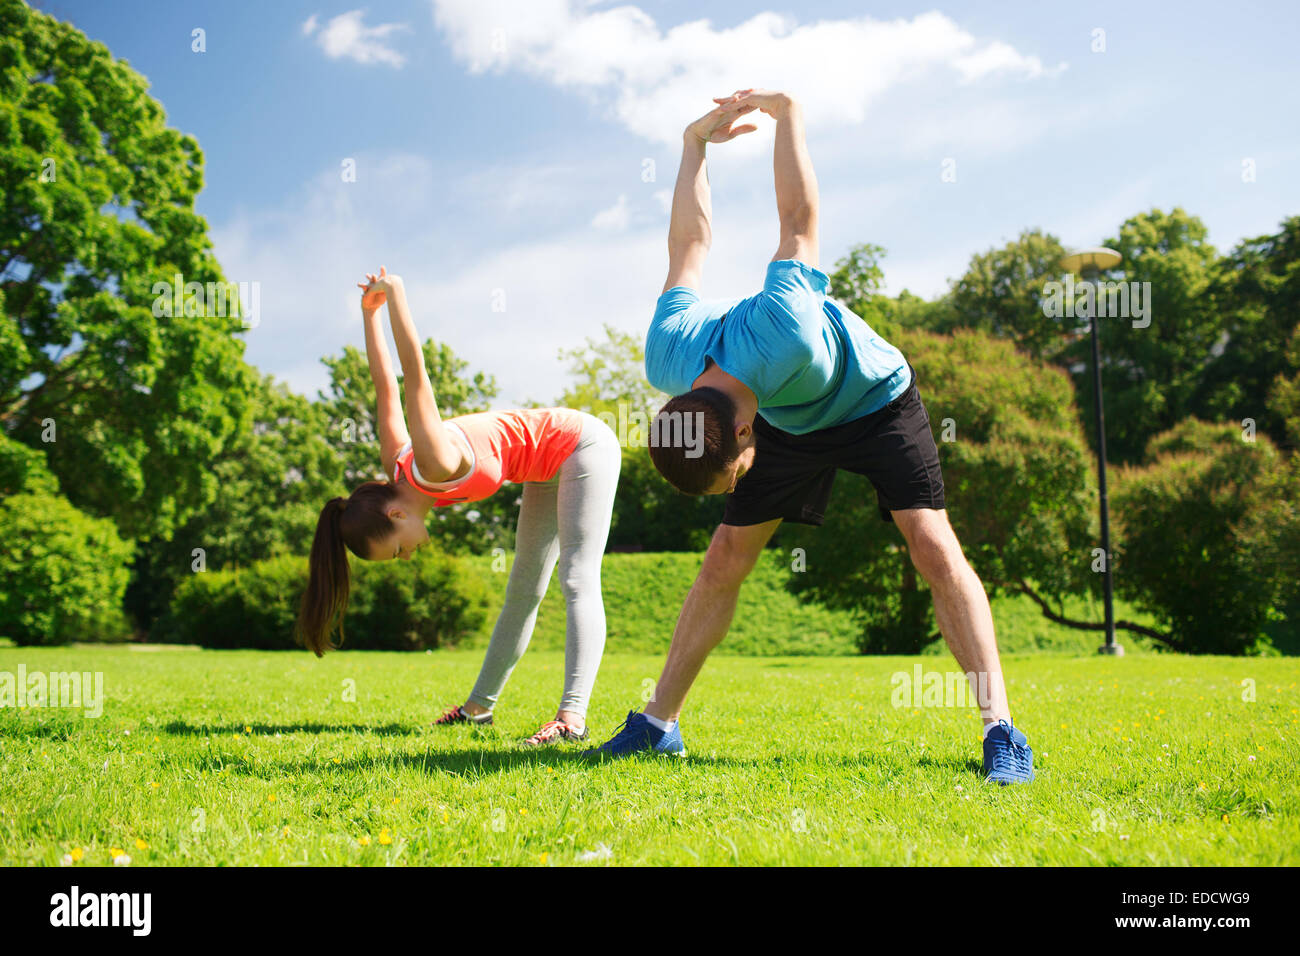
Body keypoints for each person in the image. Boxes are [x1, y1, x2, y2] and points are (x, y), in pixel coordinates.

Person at [585, 91, 1034, 784]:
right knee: (724, 557)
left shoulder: (785, 326)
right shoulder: (669, 356)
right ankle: (656, 725)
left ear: (741, 434)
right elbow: (689, 246)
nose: (735, 483)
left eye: (731, 475)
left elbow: (797, 219)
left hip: (874, 400)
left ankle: (1001, 729)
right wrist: (692, 146)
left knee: (932, 544)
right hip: (785, 418)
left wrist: (787, 113)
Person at [297, 267, 621, 747]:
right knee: (522, 590)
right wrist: (369, 317)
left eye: (397, 552)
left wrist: (397, 294)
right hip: (544, 468)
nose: (408, 556)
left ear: (395, 516)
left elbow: (411, 378)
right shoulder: (397, 466)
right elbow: (381, 384)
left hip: (581, 445)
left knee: (576, 576)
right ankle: (478, 710)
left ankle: (572, 719)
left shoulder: (432, 460)